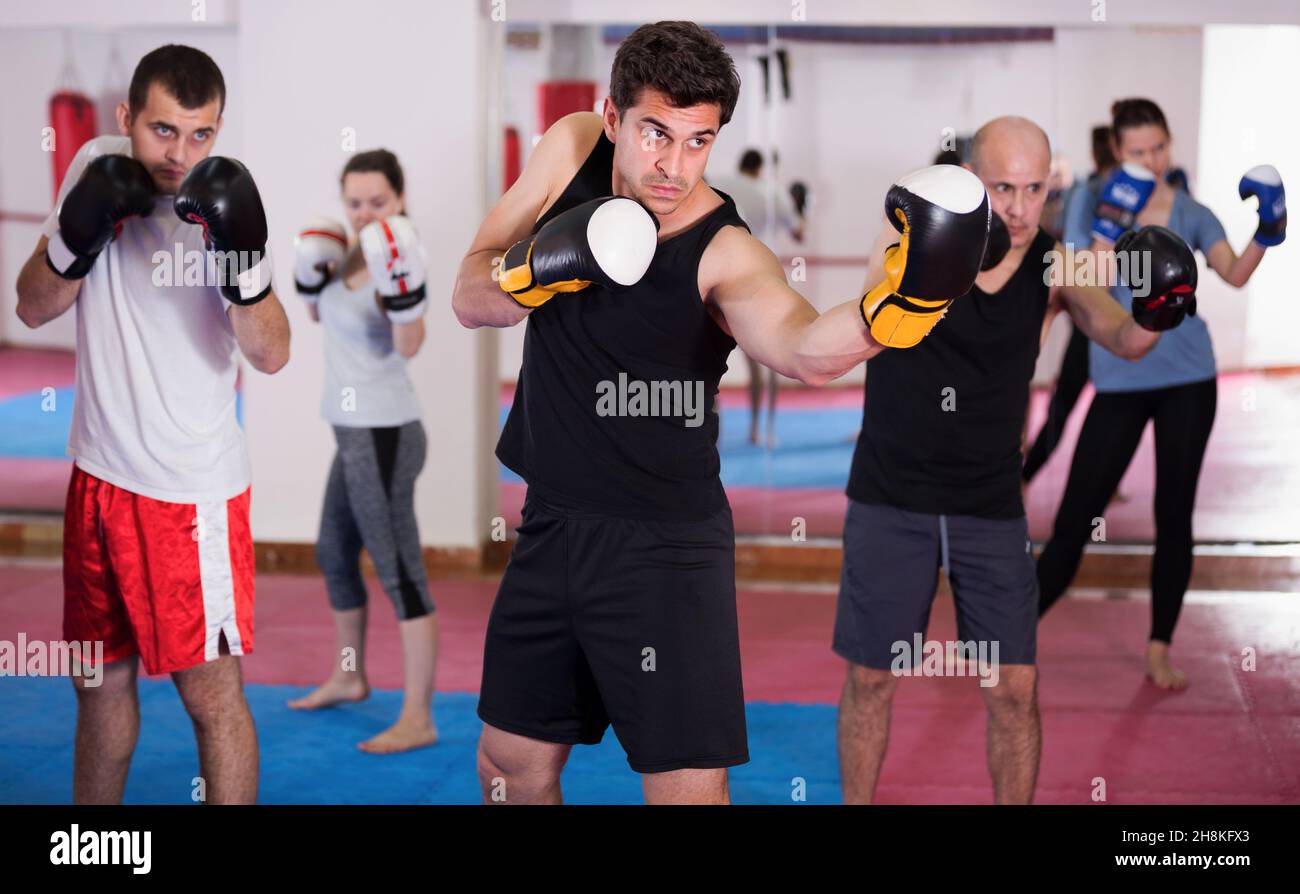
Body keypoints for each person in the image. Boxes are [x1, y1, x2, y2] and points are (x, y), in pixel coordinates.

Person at [452, 20, 991, 805]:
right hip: (553, 525)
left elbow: (804, 346)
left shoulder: (723, 249)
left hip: (664, 549)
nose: (673, 166)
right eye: (655, 134)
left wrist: (898, 309)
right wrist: (532, 273)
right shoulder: (571, 148)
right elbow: (470, 297)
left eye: (699, 141)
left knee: (685, 794)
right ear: (611, 118)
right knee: (508, 768)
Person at [835, 116, 1197, 804]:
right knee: (872, 678)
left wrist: (1156, 311)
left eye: (1037, 188)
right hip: (891, 493)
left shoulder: (1054, 264)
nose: (1023, 208)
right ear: (971, 181)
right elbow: (872, 301)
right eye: (1004, 188)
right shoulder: (915, 242)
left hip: (991, 504)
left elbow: (1121, 338)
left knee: (1013, 688)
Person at [14, 45, 289, 804]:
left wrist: (247, 267)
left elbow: (271, 354)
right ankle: (97, 847)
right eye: (163, 131)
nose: (180, 155)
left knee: (210, 696)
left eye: (200, 134)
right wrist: (77, 240)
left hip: (190, 496)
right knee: (96, 688)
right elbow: (32, 305)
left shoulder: (227, 199)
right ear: (125, 118)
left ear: (219, 130)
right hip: (96, 479)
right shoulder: (94, 169)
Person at [1037, 98, 1284, 689]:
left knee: (1175, 514)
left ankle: (1159, 648)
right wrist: (1106, 226)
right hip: (1120, 379)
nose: (1150, 159)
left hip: (1187, 379)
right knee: (1076, 517)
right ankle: (1011, 634)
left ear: (1169, 145)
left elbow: (1233, 271)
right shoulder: (1090, 199)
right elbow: (1077, 279)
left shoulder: (1189, 208)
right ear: (1116, 152)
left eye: (1158, 148)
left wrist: (1268, 230)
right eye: (1137, 150)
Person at [285, 150, 439, 755]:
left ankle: (419, 717)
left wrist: (400, 291)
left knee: (398, 568)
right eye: (355, 203)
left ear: (399, 199)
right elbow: (318, 315)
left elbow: (411, 344)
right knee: (332, 550)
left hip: (385, 431)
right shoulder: (345, 249)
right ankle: (349, 674)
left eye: (378, 201)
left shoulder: (400, 253)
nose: (365, 213)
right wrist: (310, 273)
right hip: (349, 429)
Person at [1022, 125, 1117, 485]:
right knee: (1061, 401)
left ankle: (1106, 483)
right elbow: (1075, 263)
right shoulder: (1084, 195)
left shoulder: (1147, 195)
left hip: (1123, 320)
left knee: (1114, 411)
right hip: (1089, 314)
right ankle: (1024, 476)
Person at [710, 148, 805, 447]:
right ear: (761, 168)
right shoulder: (773, 192)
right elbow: (800, 234)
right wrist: (803, 206)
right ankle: (760, 429)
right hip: (755, 283)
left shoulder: (720, 182)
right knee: (764, 363)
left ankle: (712, 432)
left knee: (706, 364)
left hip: (716, 279)